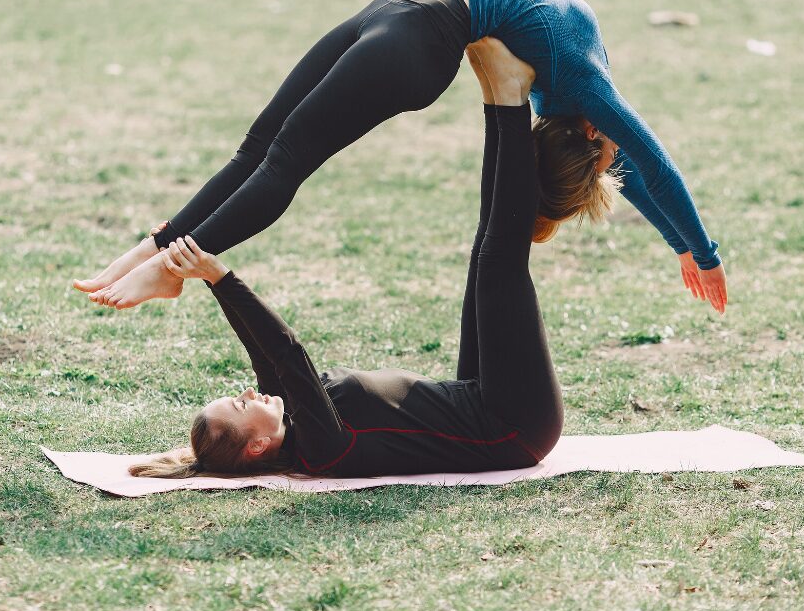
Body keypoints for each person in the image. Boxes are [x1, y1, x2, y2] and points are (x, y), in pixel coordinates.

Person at [75, 0, 726, 314]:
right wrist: (692, 249)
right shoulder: (582, 93)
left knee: (284, 159)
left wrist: (699, 250)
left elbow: (645, 170)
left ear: (591, 140)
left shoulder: (580, 93)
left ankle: (172, 267)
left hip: (418, 39)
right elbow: (649, 170)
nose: (618, 149)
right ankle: (158, 247)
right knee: (259, 146)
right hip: (405, 10)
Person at [130, 97, 563, 479]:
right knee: (498, 257)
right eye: (242, 405)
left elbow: (261, 350)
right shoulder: (321, 449)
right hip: (514, 426)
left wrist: (204, 275)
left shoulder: (297, 421)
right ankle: (509, 102)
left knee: (488, 245)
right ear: (257, 446)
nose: (247, 392)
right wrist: (219, 274)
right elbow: (288, 352)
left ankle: (499, 98)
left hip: (478, 396)